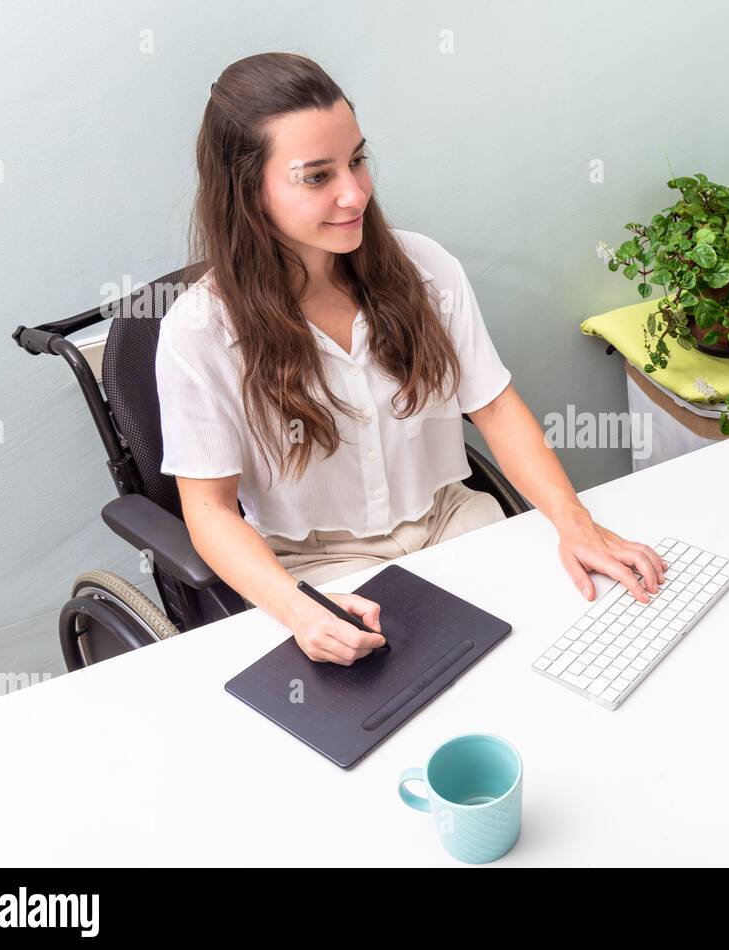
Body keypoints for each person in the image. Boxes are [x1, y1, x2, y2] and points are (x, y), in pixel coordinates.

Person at [155, 53, 666, 666]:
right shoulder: (199, 332)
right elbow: (207, 510)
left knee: (601, 639)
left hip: (455, 525)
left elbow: (496, 406)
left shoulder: (425, 270)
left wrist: (574, 521)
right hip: (320, 569)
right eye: (316, 176)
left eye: (358, 160)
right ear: (248, 192)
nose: (355, 193)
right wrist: (298, 608)